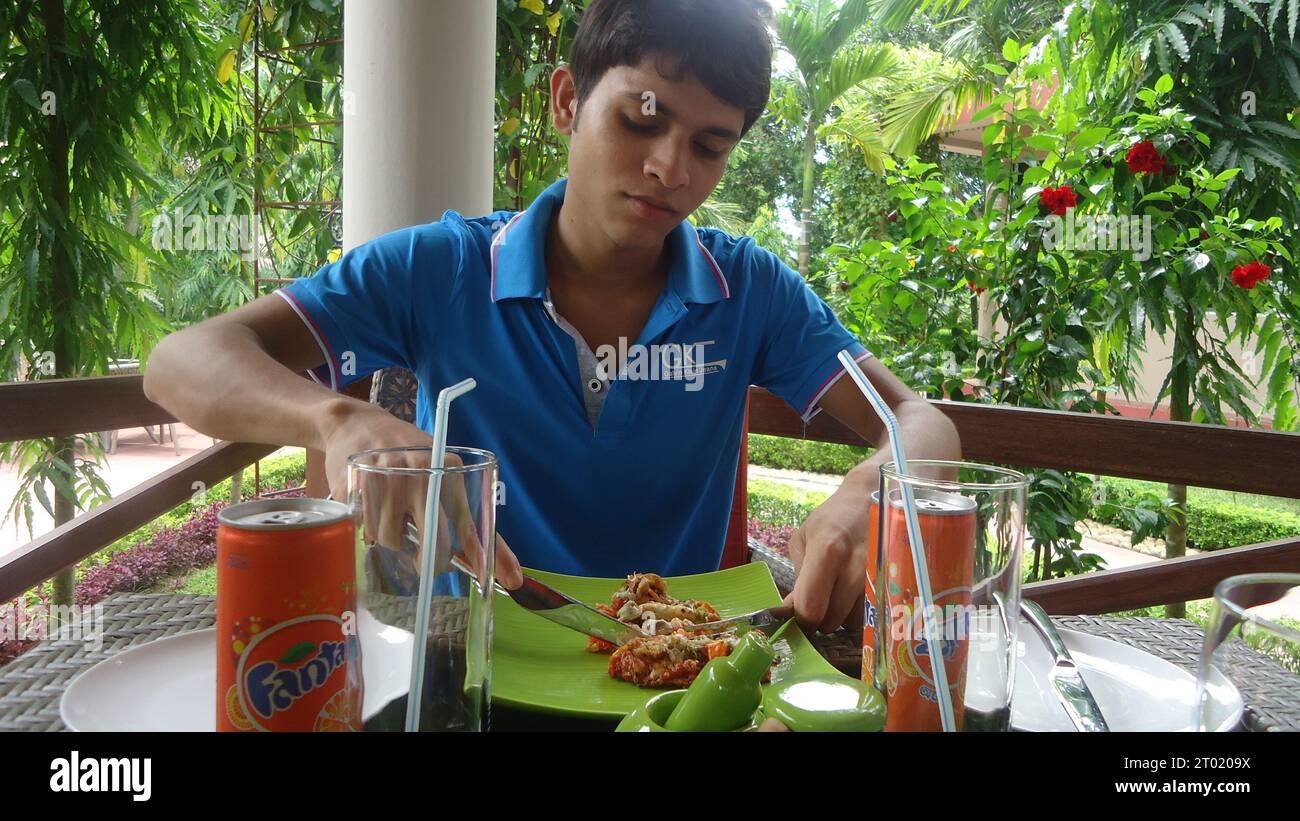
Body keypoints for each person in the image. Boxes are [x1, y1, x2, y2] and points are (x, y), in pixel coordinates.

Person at [144, 0, 960, 633]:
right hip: (471, 659)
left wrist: (876, 488)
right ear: (568, 100)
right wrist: (338, 418)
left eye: (709, 147)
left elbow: (920, 420)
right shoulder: (442, 267)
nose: (669, 168)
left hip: (684, 667)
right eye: (642, 119)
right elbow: (181, 360)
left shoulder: (748, 289)